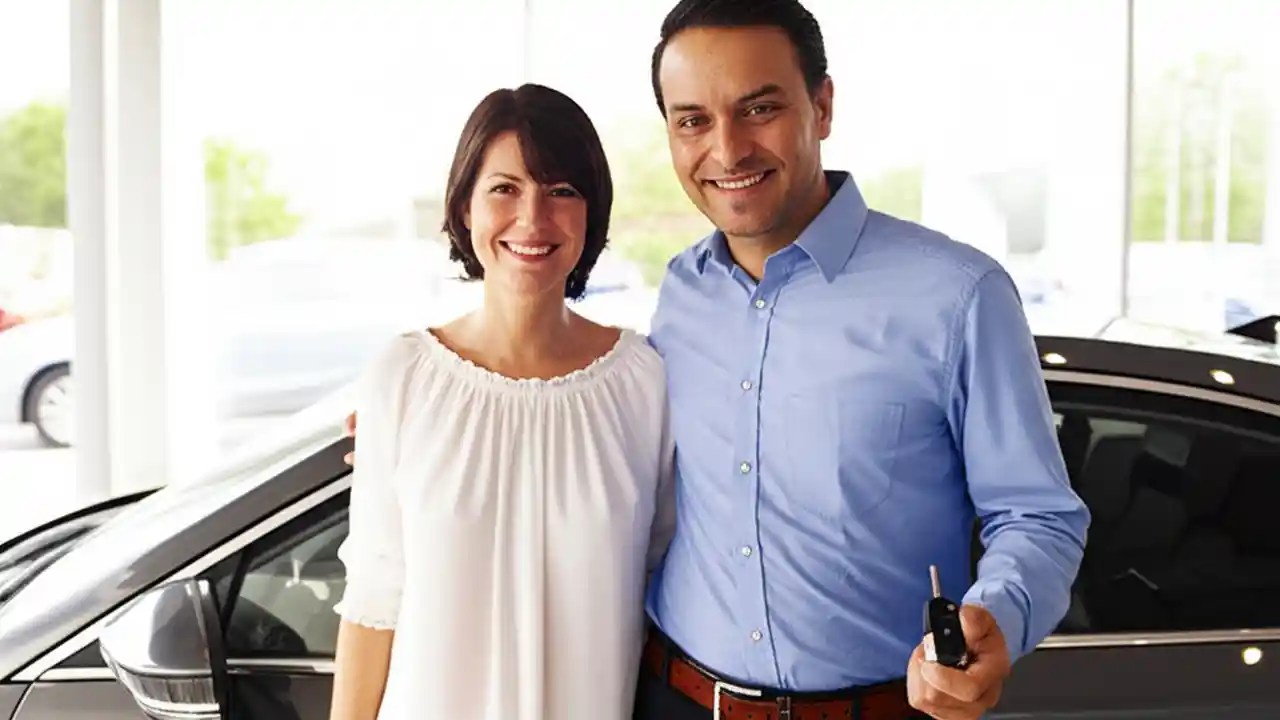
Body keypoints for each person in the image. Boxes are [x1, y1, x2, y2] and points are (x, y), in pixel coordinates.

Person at [630, 1, 1091, 719]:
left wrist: (994, 617)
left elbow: (1037, 516)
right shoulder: (680, 293)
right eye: (692, 120)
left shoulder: (958, 295)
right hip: (675, 698)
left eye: (759, 108)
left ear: (822, 104)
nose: (726, 150)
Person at [328, 83, 675, 720]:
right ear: (464, 208)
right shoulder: (403, 376)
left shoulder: (645, 382)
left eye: (562, 191)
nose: (533, 219)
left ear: (592, 213)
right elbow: (374, 599)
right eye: (505, 188)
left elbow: (666, 587)